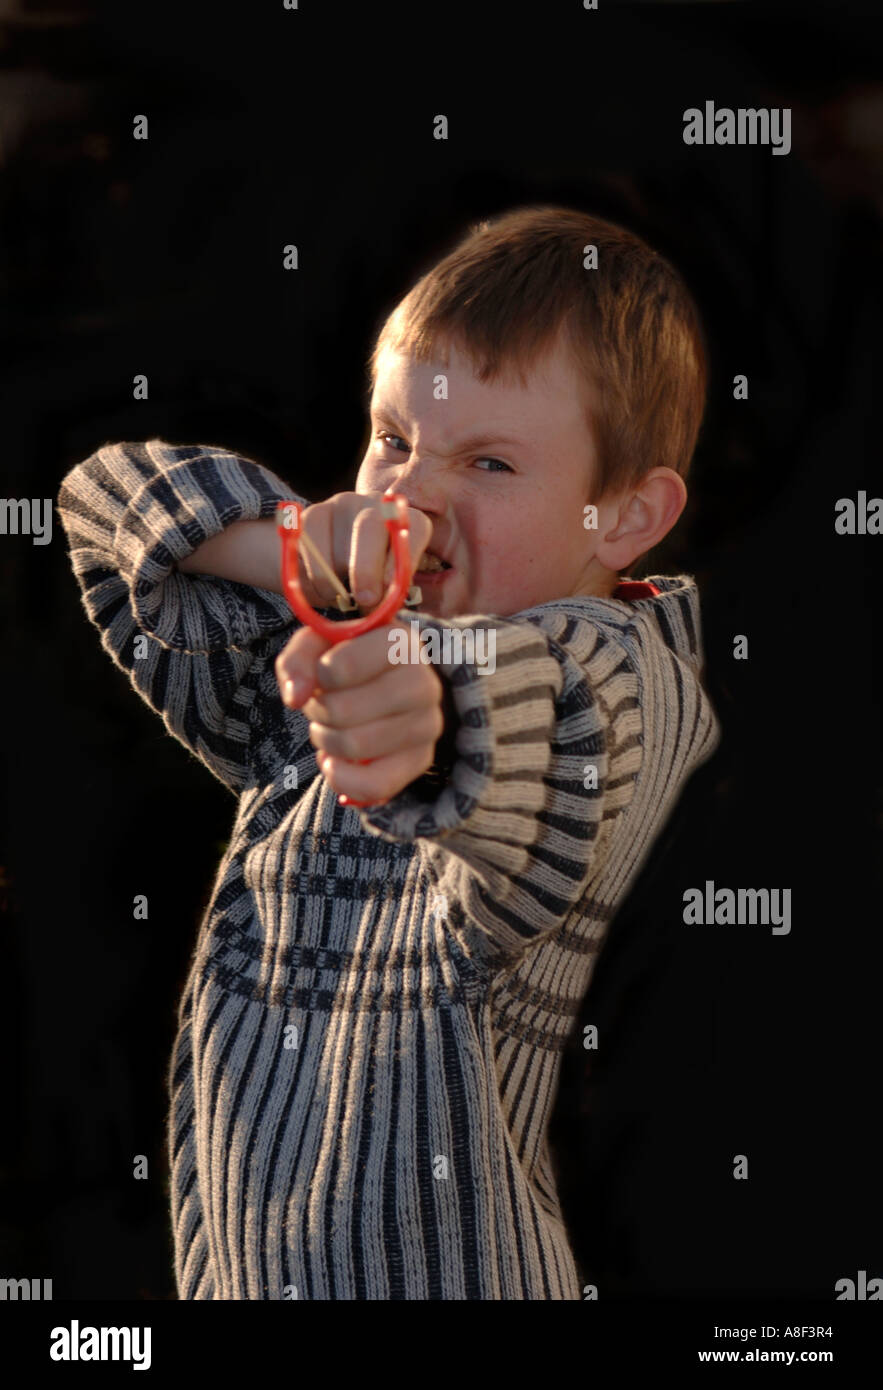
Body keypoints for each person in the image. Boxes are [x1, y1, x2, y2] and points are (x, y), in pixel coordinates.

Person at [57, 205, 720, 1299]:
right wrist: (290, 548)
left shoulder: (627, 674)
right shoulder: (333, 642)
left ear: (625, 516)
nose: (410, 495)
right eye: (394, 441)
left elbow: (538, 709)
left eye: (490, 462)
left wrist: (422, 709)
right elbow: (104, 502)